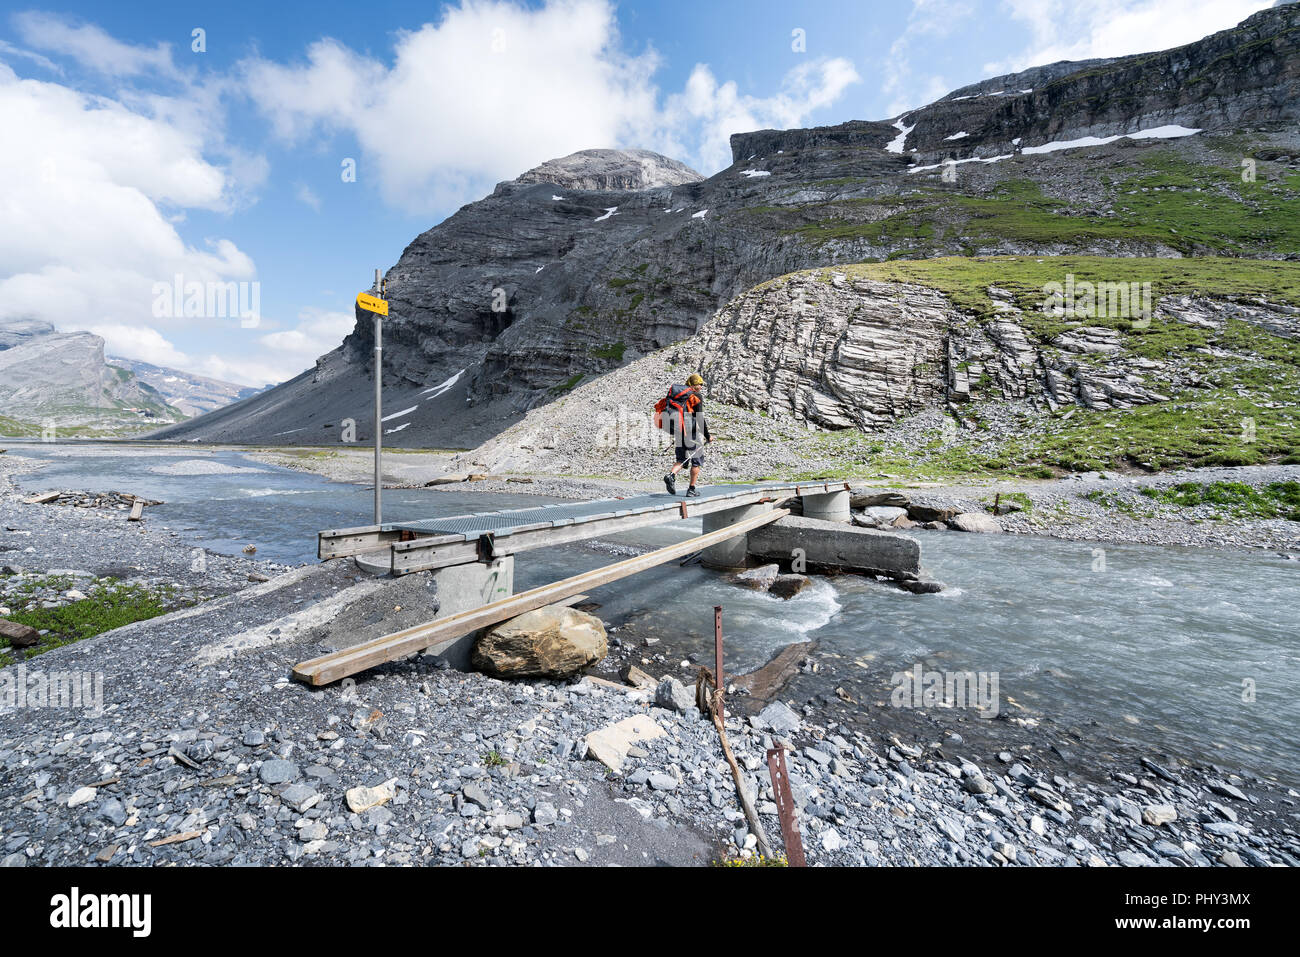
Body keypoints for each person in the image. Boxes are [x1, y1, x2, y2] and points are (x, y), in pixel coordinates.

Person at [662, 373, 711, 497]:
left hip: (679, 431)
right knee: (697, 461)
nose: (701, 387)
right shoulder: (696, 396)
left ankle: (671, 475)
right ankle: (691, 489)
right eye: (700, 384)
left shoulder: (679, 396)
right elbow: (700, 418)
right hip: (691, 432)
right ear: (694, 385)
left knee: (681, 459)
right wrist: (708, 436)